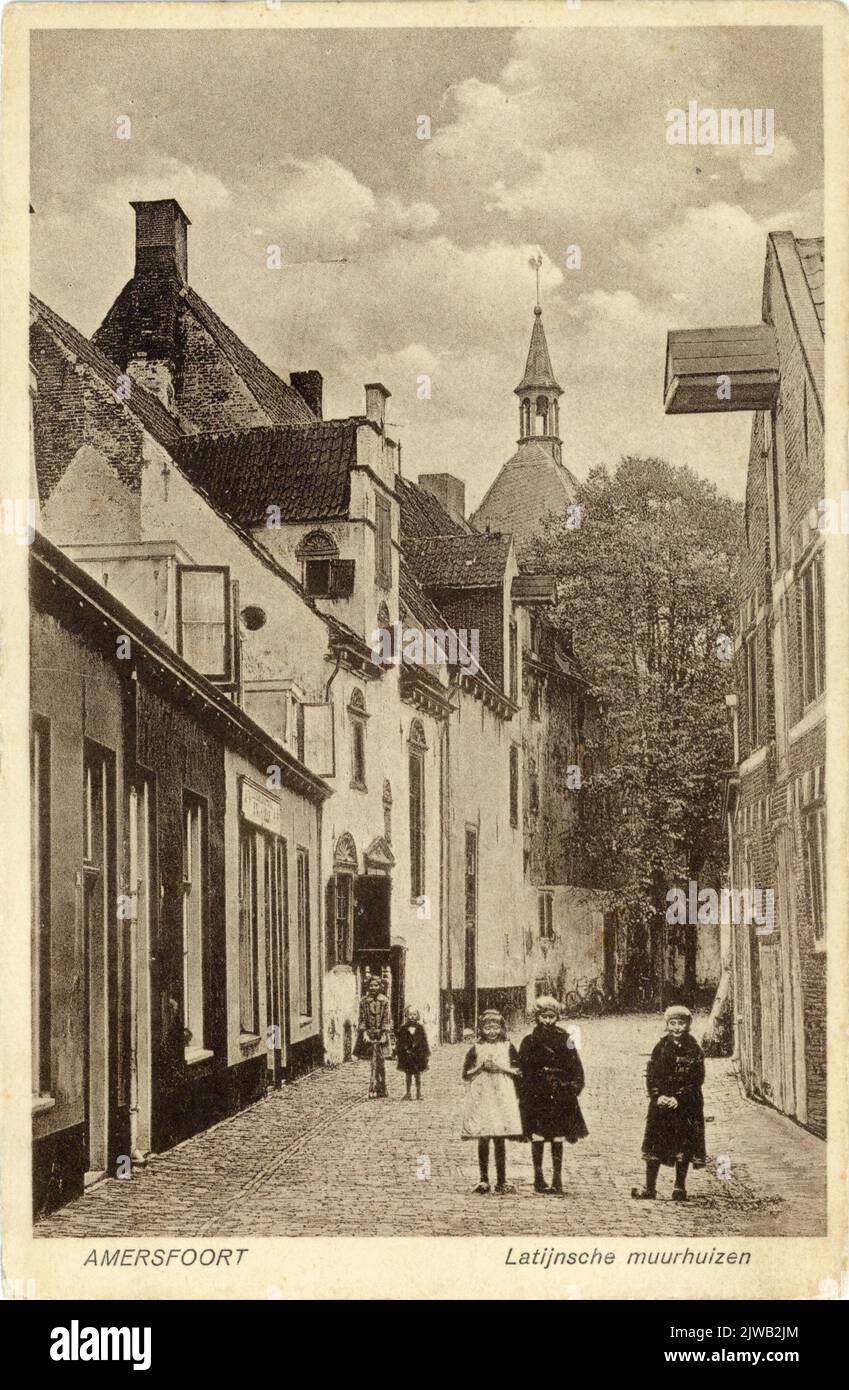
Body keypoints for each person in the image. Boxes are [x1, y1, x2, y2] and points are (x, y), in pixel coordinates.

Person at [632, 1004, 706, 1202]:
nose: (676, 1028)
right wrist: (658, 1096)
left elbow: (697, 1079)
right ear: (667, 1025)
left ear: (688, 1025)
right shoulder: (661, 1047)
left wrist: (679, 1098)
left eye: (681, 1023)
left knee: (683, 1145)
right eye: (672, 1023)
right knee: (655, 1144)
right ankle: (650, 1188)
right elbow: (652, 1075)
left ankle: (679, 1187)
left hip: (686, 1105)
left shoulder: (694, 1049)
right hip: (662, 1105)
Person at [518, 996, 588, 1195]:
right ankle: (538, 1177)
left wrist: (573, 1086)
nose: (548, 1020)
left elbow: (575, 1065)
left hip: (560, 1092)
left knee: (558, 1135)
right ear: (537, 1017)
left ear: (557, 1016)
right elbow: (523, 1067)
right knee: (538, 1134)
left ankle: (557, 1177)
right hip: (537, 1093)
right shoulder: (529, 1040)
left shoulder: (565, 1038)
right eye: (544, 1016)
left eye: (552, 1016)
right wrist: (525, 1091)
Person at [461, 1009, 522, 1195]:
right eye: (488, 1028)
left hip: (502, 1096)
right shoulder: (476, 1049)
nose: (492, 1032)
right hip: (483, 1096)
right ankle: (484, 1179)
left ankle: (502, 1180)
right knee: (483, 1136)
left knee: (500, 1138)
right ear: (482, 1029)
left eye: (496, 1028)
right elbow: (466, 1074)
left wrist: (500, 1068)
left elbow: (519, 1071)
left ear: (502, 1028)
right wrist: (480, 1067)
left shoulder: (508, 1047)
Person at [353, 973, 391, 1098]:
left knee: (381, 1061)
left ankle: (382, 1086)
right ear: (367, 987)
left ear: (380, 987)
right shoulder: (364, 1001)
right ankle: (374, 1087)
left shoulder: (385, 1001)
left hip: (381, 1035)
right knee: (373, 1062)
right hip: (369, 1035)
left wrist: (385, 1034)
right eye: (371, 985)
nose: (373, 988)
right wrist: (364, 1033)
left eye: (376, 985)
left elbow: (386, 1019)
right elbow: (362, 1019)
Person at [396, 1006, 430, 1099]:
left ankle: (419, 1093)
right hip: (407, 1055)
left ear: (417, 1015)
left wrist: (426, 1053)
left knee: (418, 1075)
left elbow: (424, 1041)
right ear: (407, 1015)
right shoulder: (403, 1028)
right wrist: (400, 1052)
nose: (412, 1016)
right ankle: (408, 1093)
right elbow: (400, 1041)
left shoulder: (420, 1028)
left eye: (414, 1014)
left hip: (418, 1055)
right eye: (410, 1014)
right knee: (408, 1075)